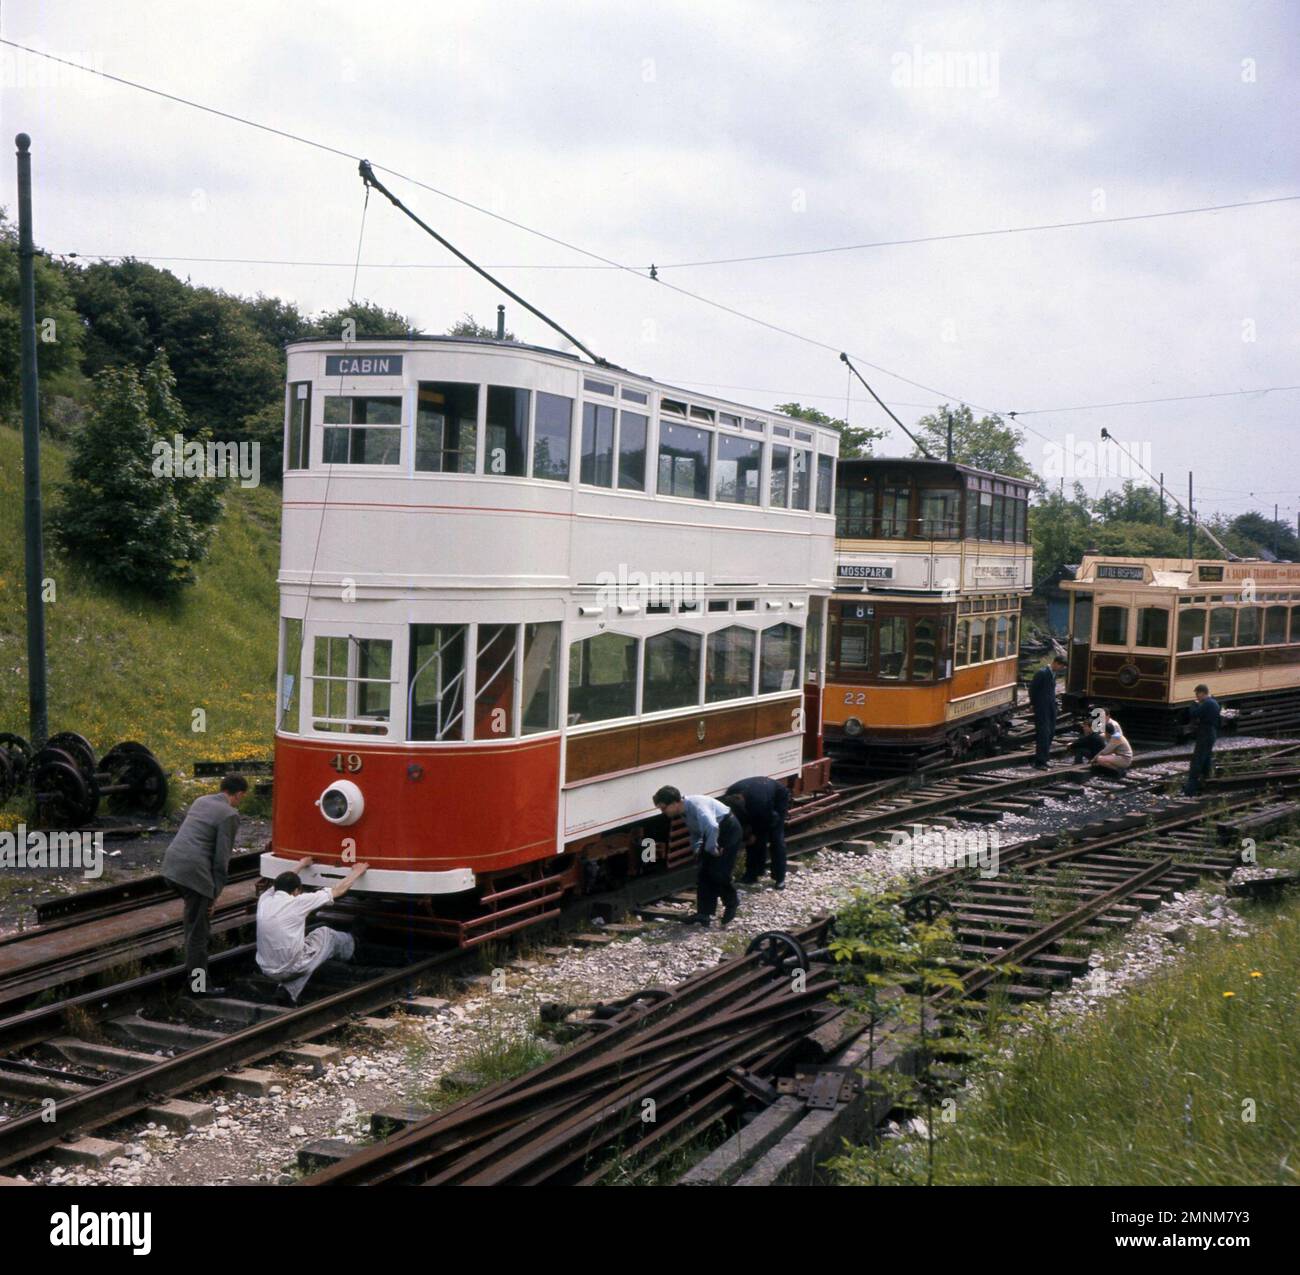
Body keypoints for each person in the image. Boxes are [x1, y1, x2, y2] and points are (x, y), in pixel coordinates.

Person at [161, 773, 248, 996]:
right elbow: (221, 860)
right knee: (198, 934)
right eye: (241, 798)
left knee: (193, 924)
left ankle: (191, 971)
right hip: (195, 874)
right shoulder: (229, 814)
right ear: (238, 794)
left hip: (172, 867)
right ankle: (199, 986)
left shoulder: (201, 801)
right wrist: (214, 894)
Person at [256, 857, 369, 1004]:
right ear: (297, 890)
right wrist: (357, 871)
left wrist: (301, 864)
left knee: (304, 952)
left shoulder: (264, 900)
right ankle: (354, 946)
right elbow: (337, 890)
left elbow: (281, 880)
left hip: (266, 968)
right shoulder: (298, 902)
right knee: (325, 934)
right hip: (291, 968)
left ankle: (287, 991)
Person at [652, 785, 743, 926]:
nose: (663, 812)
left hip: (727, 829)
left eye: (664, 808)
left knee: (718, 872)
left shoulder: (696, 806)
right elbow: (695, 831)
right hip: (714, 832)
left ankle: (731, 902)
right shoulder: (684, 811)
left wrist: (711, 848)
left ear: (675, 803)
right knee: (704, 873)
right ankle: (704, 914)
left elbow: (712, 826)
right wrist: (696, 847)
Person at [724, 775, 791, 890]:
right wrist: (748, 834)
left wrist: (754, 834)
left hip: (777, 798)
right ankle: (752, 874)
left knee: (776, 838)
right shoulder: (730, 796)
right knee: (754, 842)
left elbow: (768, 820)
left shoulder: (759, 802)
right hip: (760, 795)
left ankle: (779, 878)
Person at [1183, 684, 1221, 796]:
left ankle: (1190, 790)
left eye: (1197, 693)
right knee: (1206, 760)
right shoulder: (1214, 702)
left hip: (1205, 733)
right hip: (1211, 732)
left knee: (1197, 760)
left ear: (1202, 693)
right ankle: (1206, 784)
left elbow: (1194, 714)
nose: (1196, 696)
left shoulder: (1208, 703)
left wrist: (1193, 704)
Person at [1029, 655, 1067, 768]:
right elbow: (1033, 689)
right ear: (1056, 663)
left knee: (1050, 732)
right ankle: (1040, 761)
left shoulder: (1053, 674)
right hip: (1042, 707)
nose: (1061, 669)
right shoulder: (1042, 673)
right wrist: (1034, 704)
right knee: (1043, 734)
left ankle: (1044, 758)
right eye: (1061, 666)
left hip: (1050, 706)